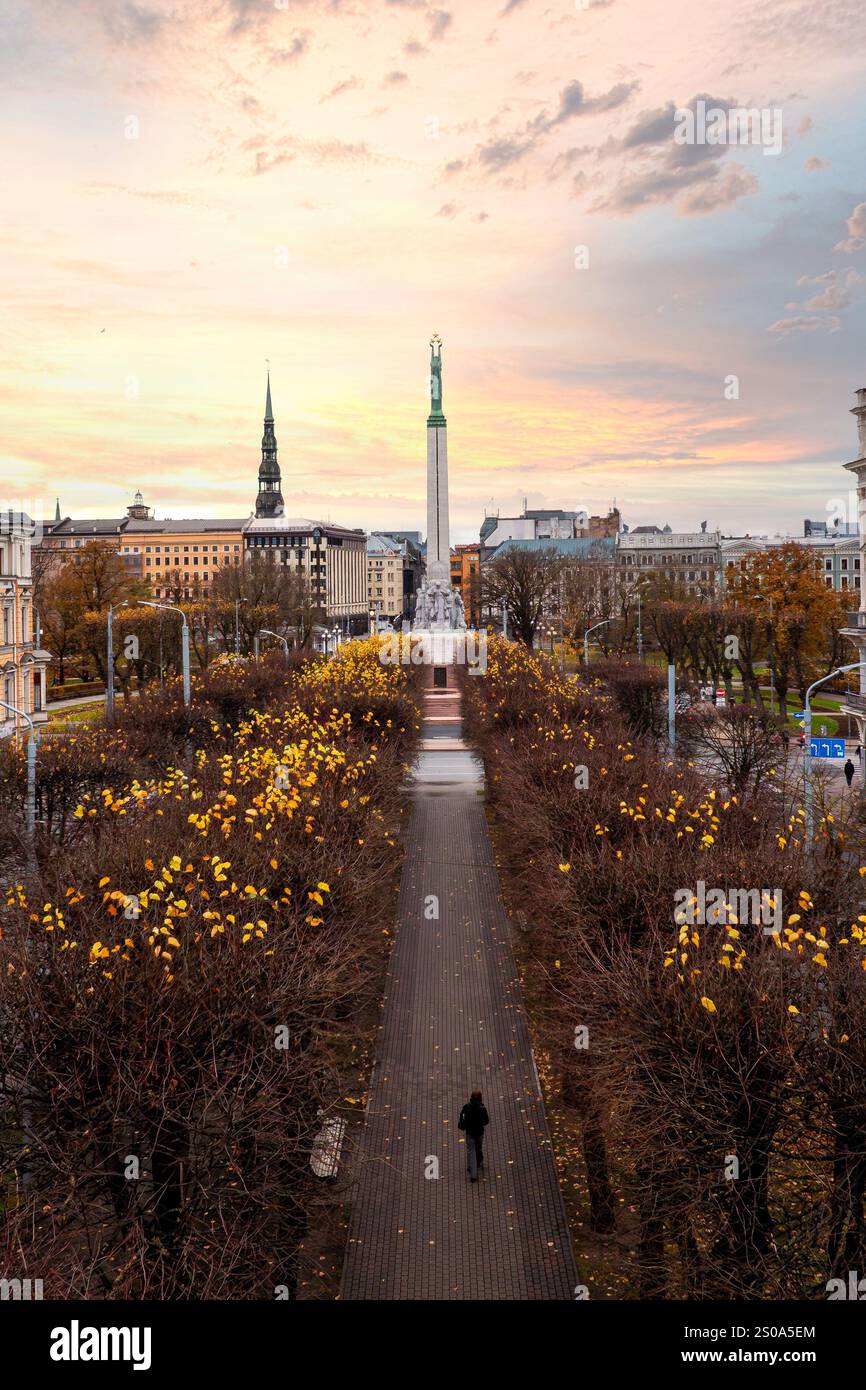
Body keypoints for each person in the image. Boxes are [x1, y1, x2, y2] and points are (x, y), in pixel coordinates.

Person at [458, 1090, 489, 1183]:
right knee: (478, 1147)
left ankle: (473, 1172)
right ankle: (478, 1160)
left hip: (470, 1133)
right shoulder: (482, 1108)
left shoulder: (466, 1107)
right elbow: (486, 1121)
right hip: (479, 1133)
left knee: (471, 1150)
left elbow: (462, 1117)